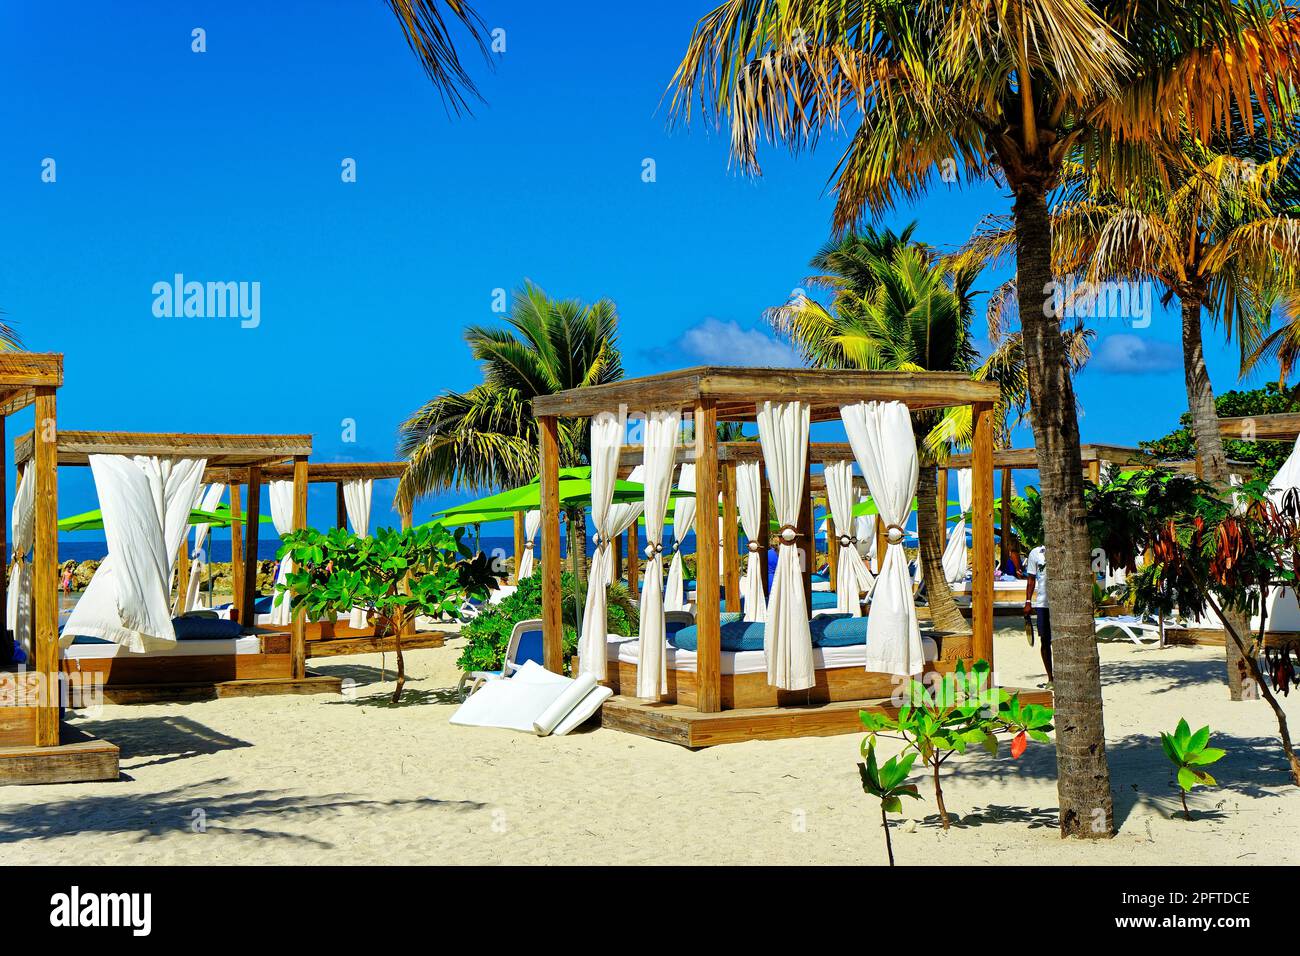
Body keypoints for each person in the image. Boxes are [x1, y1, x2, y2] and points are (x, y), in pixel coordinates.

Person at [1023, 544, 1052, 687]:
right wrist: (1028, 602)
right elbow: (1031, 579)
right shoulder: (1035, 553)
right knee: (1045, 641)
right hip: (1042, 603)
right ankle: (1051, 678)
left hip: (1061, 603)